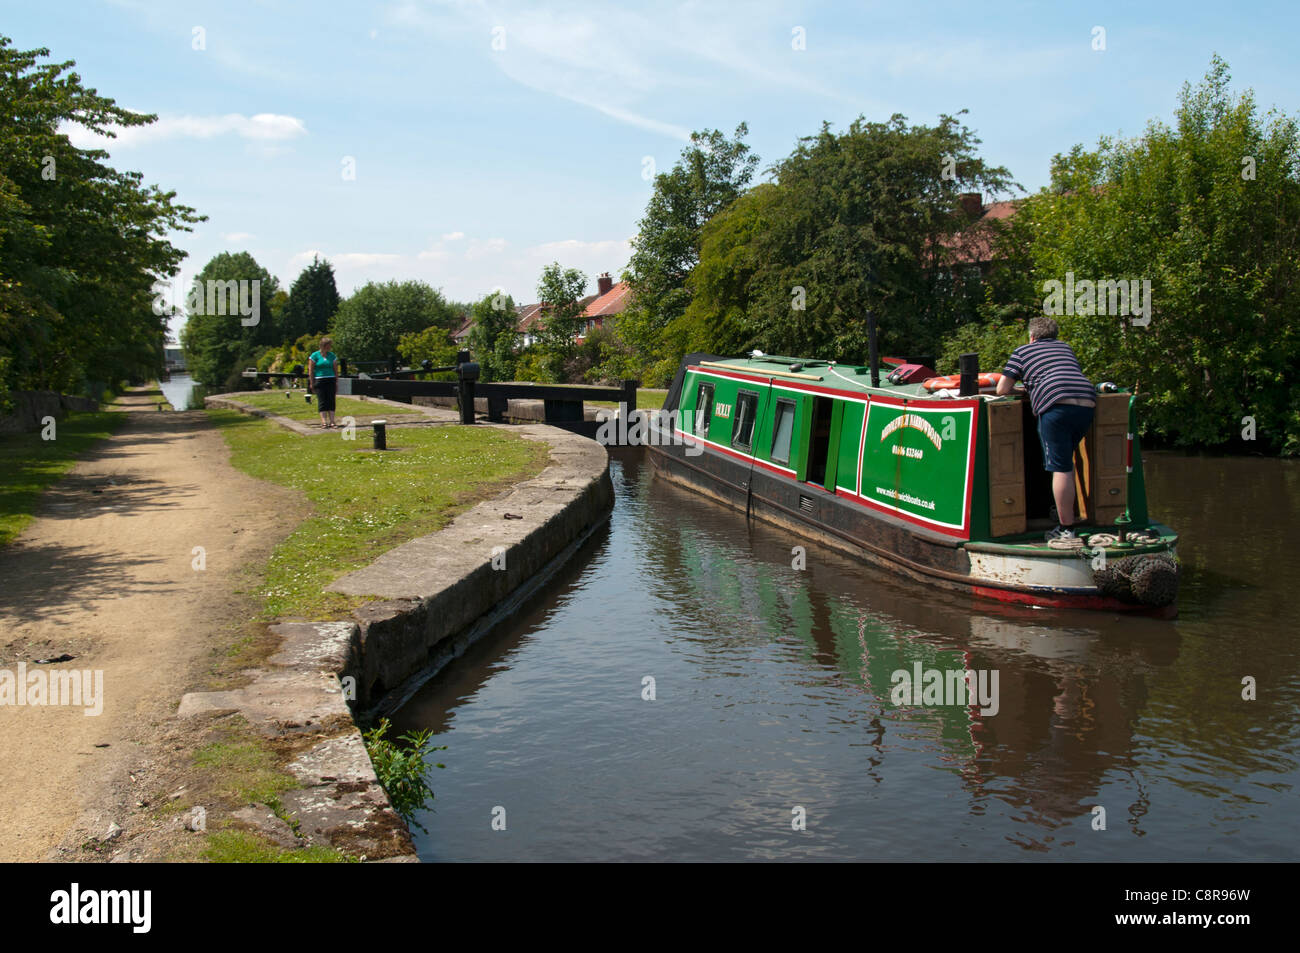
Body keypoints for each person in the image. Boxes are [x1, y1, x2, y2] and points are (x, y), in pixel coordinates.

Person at [995, 316, 1096, 542]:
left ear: (1031, 337)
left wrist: (1027, 391)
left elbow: (1002, 389)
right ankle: (1064, 510)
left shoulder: (1022, 352)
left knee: (1061, 466)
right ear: (1055, 335)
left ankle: (1066, 529)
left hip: (1056, 405)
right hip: (1087, 403)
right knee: (1066, 461)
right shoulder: (1065, 348)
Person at [307, 336, 340, 429]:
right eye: (329, 345)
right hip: (319, 379)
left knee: (331, 400)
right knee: (322, 400)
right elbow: (311, 370)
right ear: (324, 345)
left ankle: (332, 421)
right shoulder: (314, 356)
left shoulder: (332, 356)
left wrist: (336, 381)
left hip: (330, 379)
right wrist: (311, 382)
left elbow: (335, 370)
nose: (330, 347)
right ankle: (324, 421)